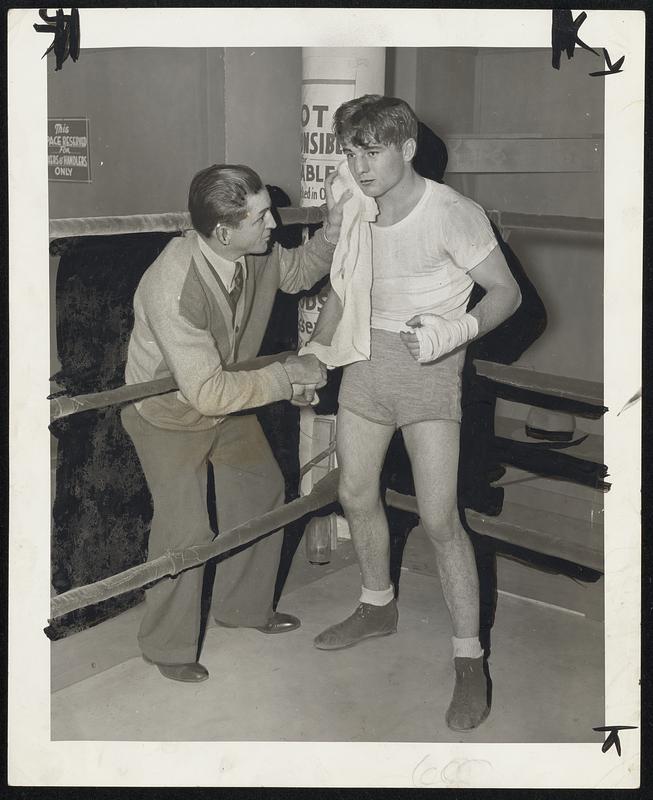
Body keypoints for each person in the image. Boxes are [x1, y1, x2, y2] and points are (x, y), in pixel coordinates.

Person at [303, 95, 521, 730]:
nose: (359, 164)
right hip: (365, 364)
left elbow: (507, 291)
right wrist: (318, 353)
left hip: (427, 373)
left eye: (372, 151)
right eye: (350, 151)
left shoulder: (453, 213)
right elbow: (346, 287)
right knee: (354, 490)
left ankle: (468, 658)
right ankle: (377, 604)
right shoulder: (358, 208)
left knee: (439, 518)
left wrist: (458, 329)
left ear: (406, 149)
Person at [122, 163, 349, 683]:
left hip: (224, 397)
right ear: (224, 232)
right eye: (263, 216)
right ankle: (166, 646)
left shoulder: (255, 250)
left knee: (262, 489)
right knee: (187, 529)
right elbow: (202, 391)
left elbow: (298, 270)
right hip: (167, 414)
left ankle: (243, 608)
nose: (275, 224)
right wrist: (288, 375)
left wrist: (335, 229)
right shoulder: (172, 284)